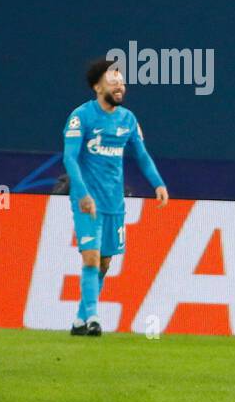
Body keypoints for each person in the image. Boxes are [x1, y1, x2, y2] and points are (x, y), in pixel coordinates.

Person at [61, 59, 169, 337]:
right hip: (87, 202)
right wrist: (82, 193)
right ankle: (94, 318)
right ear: (97, 86)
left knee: (106, 262)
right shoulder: (81, 117)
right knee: (91, 258)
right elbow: (70, 158)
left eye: (122, 81)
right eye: (113, 80)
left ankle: (79, 319)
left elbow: (141, 156)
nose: (120, 85)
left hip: (114, 204)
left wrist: (157, 184)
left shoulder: (128, 120)